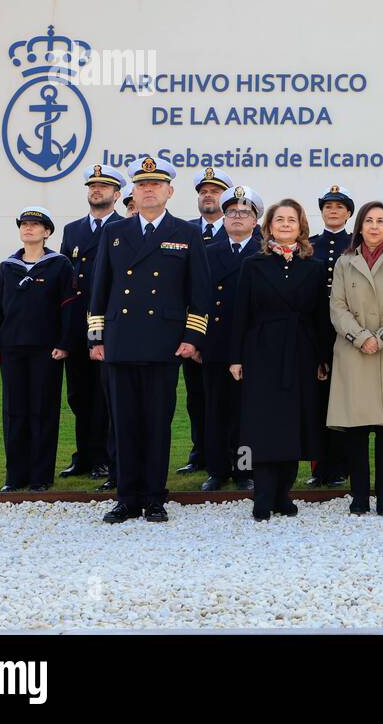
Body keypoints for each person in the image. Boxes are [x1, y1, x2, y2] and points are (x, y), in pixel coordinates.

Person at [88, 156, 211, 524]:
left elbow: (199, 291)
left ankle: (155, 497)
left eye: (156, 185)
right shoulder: (114, 233)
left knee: (157, 423)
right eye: (142, 185)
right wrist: (96, 337)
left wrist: (193, 337)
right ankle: (126, 497)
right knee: (123, 423)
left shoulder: (186, 233)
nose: (148, 190)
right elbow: (100, 289)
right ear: (133, 193)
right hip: (121, 340)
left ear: (170, 192)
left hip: (164, 341)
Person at [230, 199, 332, 520]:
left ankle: (283, 494)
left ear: (301, 226)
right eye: (279, 220)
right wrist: (235, 358)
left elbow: (321, 318)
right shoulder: (252, 263)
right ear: (269, 226)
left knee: (294, 423)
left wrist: (323, 359)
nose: (286, 225)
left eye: (292, 220)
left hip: (301, 352)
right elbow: (240, 314)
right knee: (262, 424)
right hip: (261, 352)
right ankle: (262, 495)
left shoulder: (314, 267)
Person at [327, 202, 383, 515]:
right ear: (360, 227)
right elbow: (337, 307)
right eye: (369, 221)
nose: (375, 226)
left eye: (381, 221)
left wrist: (379, 338)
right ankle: (359, 496)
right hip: (354, 351)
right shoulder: (344, 262)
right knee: (358, 428)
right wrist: (361, 337)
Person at [0, 207, 78, 492]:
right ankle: (15, 476)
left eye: (36, 225)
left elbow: (70, 309)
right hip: (12, 350)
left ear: (47, 232)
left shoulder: (59, 265)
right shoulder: (7, 267)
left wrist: (64, 344)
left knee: (43, 411)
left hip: (46, 351)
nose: (29, 229)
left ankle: (40, 477)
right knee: (15, 412)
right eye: (24, 224)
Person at [58, 164, 125, 484]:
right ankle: (83, 456)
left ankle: (104, 458)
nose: (96, 190)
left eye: (104, 186)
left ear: (117, 194)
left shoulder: (126, 227)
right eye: (92, 186)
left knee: (105, 396)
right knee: (79, 395)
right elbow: (64, 277)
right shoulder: (72, 230)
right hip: (76, 325)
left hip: (110, 325)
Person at [199, 185, 263, 491]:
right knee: (215, 410)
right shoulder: (208, 253)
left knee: (248, 414)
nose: (237, 217)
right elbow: (197, 299)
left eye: (245, 213)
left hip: (252, 345)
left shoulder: (265, 252)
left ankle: (244, 470)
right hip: (216, 343)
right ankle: (217, 469)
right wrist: (197, 340)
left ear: (255, 220)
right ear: (223, 219)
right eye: (231, 212)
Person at [178, 166, 235, 475]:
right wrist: (192, 335)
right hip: (193, 332)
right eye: (203, 191)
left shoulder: (241, 231)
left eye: (214, 191)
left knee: (232, 404)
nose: (208, 195)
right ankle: (200, 453)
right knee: (197, 399)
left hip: (228, 334)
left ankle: (235, 462)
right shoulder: (184, 231)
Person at [306, 185, 355, 487]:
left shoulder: (356, 244)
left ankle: (342, 466)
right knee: (317, 401)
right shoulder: (310, 246)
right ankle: (318, 466)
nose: (333, 211)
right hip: (317, 330)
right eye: (328, 206)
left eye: (339, 206)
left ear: (349, 212)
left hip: (347, 330)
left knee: (345, 400)